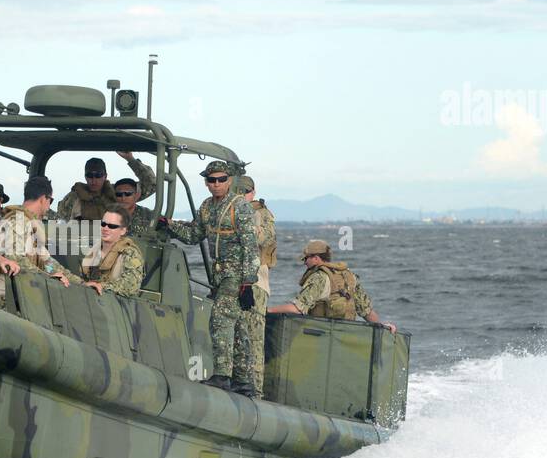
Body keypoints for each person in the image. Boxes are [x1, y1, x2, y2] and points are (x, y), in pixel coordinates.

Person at [156, 160, 260, 397]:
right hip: (220, 275)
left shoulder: (239, 207)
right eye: (211, 180)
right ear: (206, 182)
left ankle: (223, 376)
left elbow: (250, 246)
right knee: (238, 326)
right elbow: (194, 234)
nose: (216, 184)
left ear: (229, 180)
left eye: (221, 179)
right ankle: (244, 380)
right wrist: (170, 225)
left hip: (236, 274)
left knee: (220, 319)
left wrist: (248, 282)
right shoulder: (206, 207)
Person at [268, 239, 396, 333]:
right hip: (346, 337)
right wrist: (382, 327)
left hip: (321, 336)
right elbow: (366, 311)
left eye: (306, 258)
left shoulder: (319, 277)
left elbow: (297, 308)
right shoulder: (349, 276)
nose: (305, 262)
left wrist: (268, 310)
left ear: (316, 258)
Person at [0, 176, 72, 309]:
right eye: (50, 200)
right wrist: (49, 277)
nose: (49, 207)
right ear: (43, 199)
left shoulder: (30, 225)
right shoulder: (17, 222)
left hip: (20, 295)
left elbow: (48, 264)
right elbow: (16, 261)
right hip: (4, 298)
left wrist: (78, 282)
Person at [239, 176, 276, 396]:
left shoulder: (261, 213)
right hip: (232, 281)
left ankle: (256, 391)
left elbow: (264, 238)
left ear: (253, 192)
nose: (242, 196)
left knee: (253, 339)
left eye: (245, 192)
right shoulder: (226, 210)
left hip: (255, 282)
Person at [56, 150, 156, 222]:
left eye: (98, 175)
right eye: (90, 175)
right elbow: (61, 222)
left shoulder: (118, 193)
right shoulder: (74, 197)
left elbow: (152, 184)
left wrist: (130, 159)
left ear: (105, 176)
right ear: (85, 177)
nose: (94, 180)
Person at [73, 207, 145, 297]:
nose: (105, 228)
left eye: (112, 226)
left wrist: (102, 286)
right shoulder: (94, 250)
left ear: (123, 230)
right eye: (103, 224)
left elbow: (130, 286)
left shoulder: (130, 254)